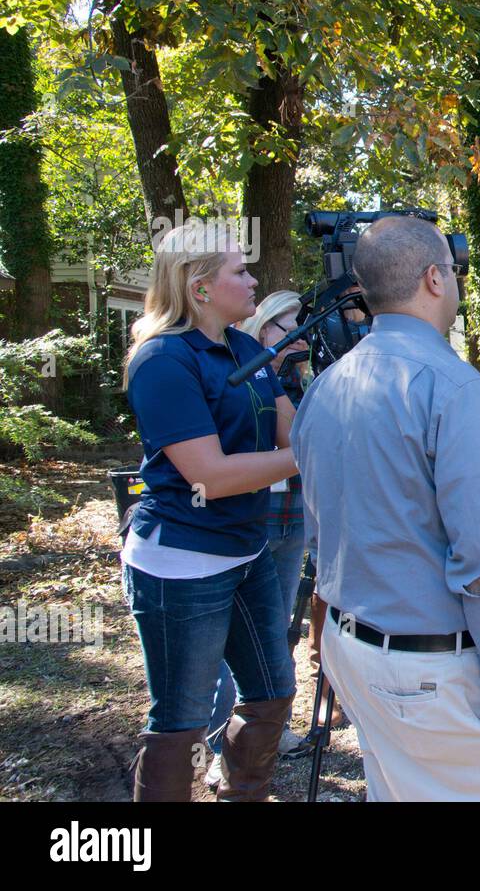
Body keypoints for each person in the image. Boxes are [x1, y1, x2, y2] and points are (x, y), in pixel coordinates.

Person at [291, 216, 480, 801]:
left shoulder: (327, 386)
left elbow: (319, 530)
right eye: (453, 272)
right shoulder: (452, 388)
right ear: (435, 279)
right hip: (429, 669)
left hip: (352, 651)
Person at [121, 221, 298, 801]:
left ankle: (243, 794)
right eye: (239, 272)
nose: (253, 280)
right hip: (182, 561)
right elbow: (211, 476)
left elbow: (289, 434)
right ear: (199, 286)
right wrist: (309, 456)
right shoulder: (163, 360)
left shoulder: (247, 348)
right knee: (182, 718)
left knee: (273, 689)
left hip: (247, 550)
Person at [200, 290, 311, 785]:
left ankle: (268, 732)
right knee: (228, 642)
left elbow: (307, 442)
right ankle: (213, 741)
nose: (296, 336)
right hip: (252, 519)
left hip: (294, 518)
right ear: (262, 329)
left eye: (301, 327)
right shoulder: (239, 375)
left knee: (277, 628)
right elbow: (286, 446)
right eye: (284, 326)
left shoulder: (303, 381)